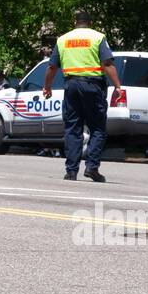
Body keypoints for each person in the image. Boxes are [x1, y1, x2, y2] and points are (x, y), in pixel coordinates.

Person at [42, 10, 123, 181]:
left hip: (71, 86)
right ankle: (92, 167)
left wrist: (47, 87)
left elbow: (51, 67)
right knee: (97, 128)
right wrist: (118, 86)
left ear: (75, 22)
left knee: (73, 128)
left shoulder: (63, 39)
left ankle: (71, 171)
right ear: (90, 23)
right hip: (93, 86)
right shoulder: (98, 37)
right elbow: (107, 63)